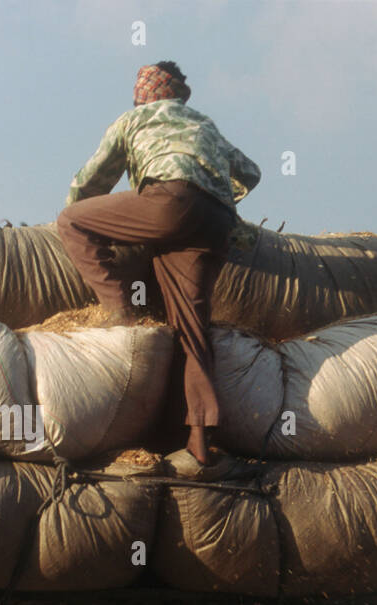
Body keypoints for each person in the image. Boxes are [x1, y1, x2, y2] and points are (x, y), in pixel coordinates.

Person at [56, 60, 260, 478]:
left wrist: (78, 202)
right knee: (191, 328)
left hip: (168, 202)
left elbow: (92, 181)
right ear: (179, 96)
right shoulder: (203, 124)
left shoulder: (134, 119)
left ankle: (120, 311)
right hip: (216, 224)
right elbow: (252, 172)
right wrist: (223, 191)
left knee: (72, 222)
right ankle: (199, 438)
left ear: (143, 96)